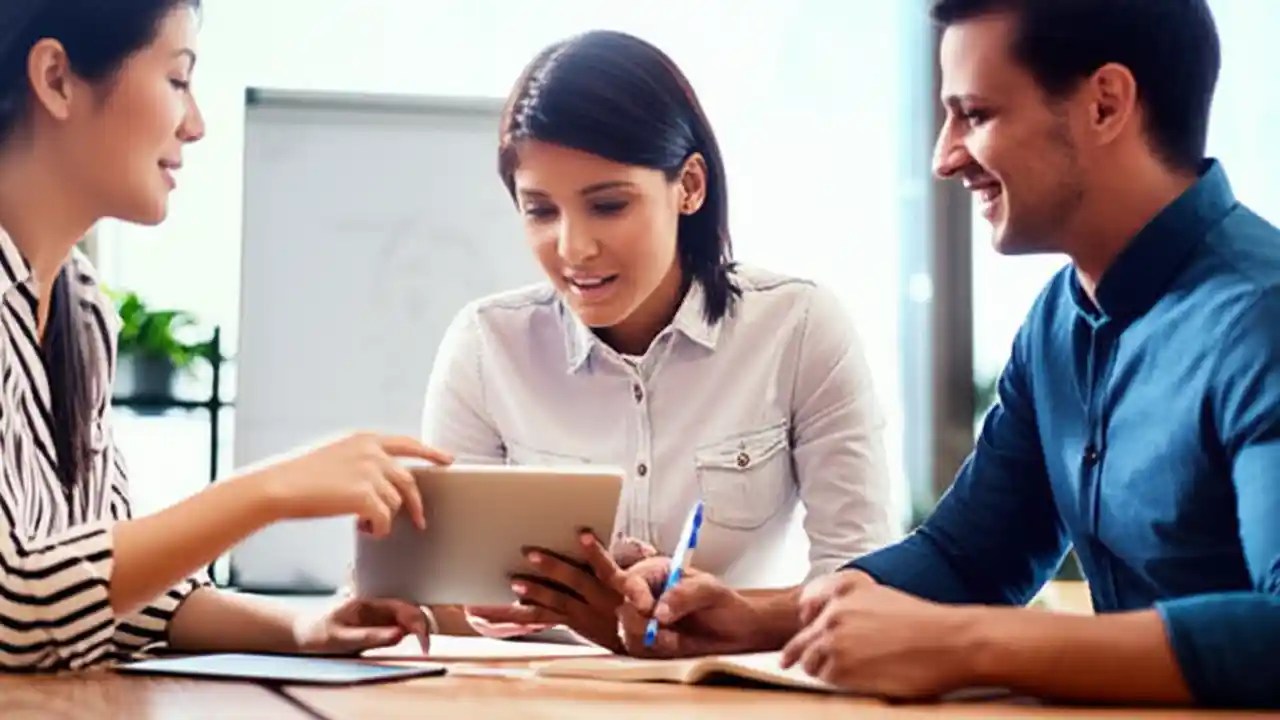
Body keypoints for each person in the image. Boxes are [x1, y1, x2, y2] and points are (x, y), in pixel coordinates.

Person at [607, 0, 1280, 709]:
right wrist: (756, 619)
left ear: (1106, 105)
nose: (944, 156)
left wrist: (965, 644)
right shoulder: (1059, 321)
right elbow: (969, 557)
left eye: (976, 115)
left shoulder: (1260, 317)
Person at [0, 0, 452, 671]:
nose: (197, 125)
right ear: (58, 78)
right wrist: (269, 490)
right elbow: (17, 605)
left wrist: (302, 629)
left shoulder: (81, 313)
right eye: (178, 81)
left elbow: (98, 587)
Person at [420, 30, 897, 651]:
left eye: (609, 205)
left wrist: (725, 612)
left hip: (730, 691)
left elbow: (864, 579)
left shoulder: (800, 328)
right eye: (541, 211)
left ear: (690, 187)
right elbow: (444, 592)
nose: (573, 249)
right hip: (541, 696)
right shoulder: (486, 346)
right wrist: (488, 603)